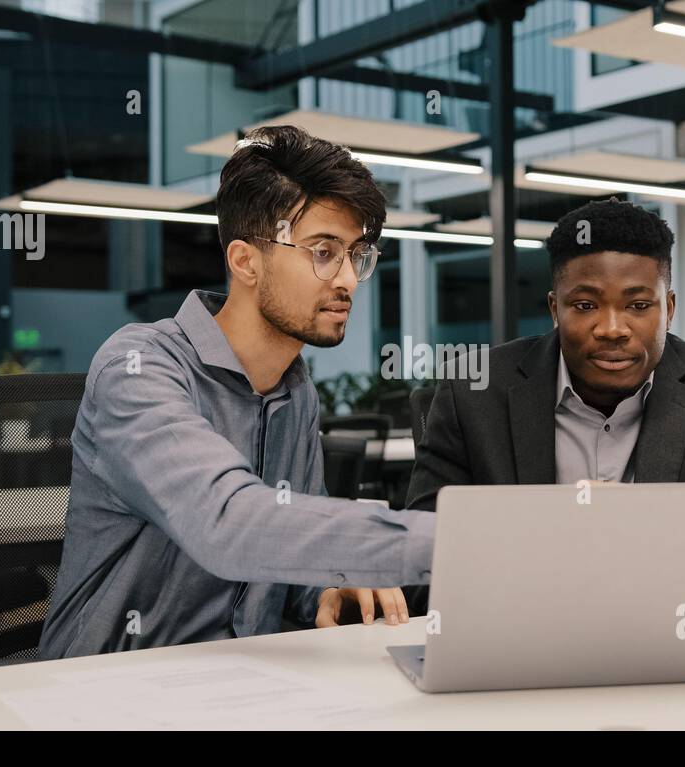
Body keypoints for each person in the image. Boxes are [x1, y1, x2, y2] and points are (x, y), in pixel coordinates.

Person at [39, 125, 433, 659]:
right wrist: (455, 543)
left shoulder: (296, 393)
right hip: (108, 690)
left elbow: (280, 568)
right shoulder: (139, 367)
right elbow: (227, 524)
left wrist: (327, 585)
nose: (346, 280)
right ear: (246, 261)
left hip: (240, 679)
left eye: (356, 255)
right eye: (323, 252)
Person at [406, 197, 685, 592]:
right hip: (522, 629)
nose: (613, 328)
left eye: (638, 304)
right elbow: (422, 552)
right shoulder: (473, 389)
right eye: (585, 304)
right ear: (554, 309)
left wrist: (628, 520)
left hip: (665, 629)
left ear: (668, 308)